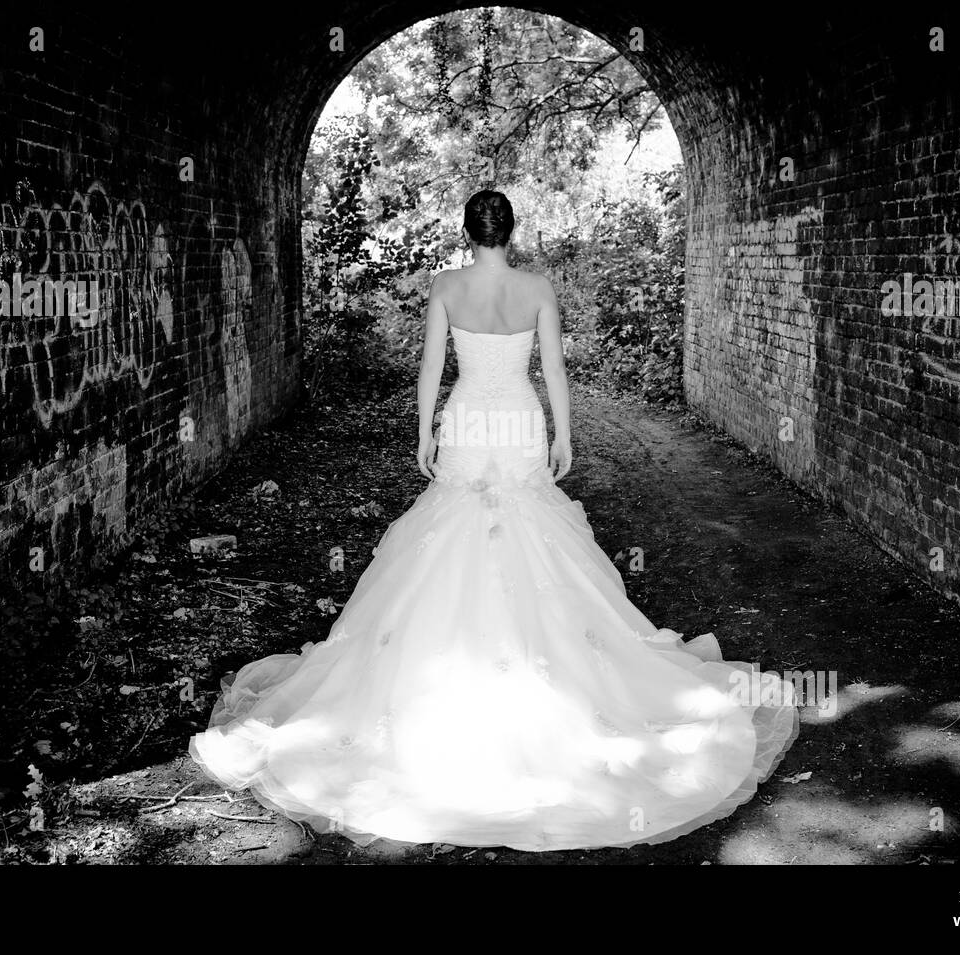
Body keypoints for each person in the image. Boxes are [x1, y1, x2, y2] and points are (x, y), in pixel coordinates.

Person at [189, 189, 799, 851]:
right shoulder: (536, 287)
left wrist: (423, 430)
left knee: (446, 532)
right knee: (532, 530)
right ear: (511, 231)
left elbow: (430, 366)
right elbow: (555, 369)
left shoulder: (447, 285)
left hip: (468, 418)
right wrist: (565, 434)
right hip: (516, 419)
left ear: (467, 230)